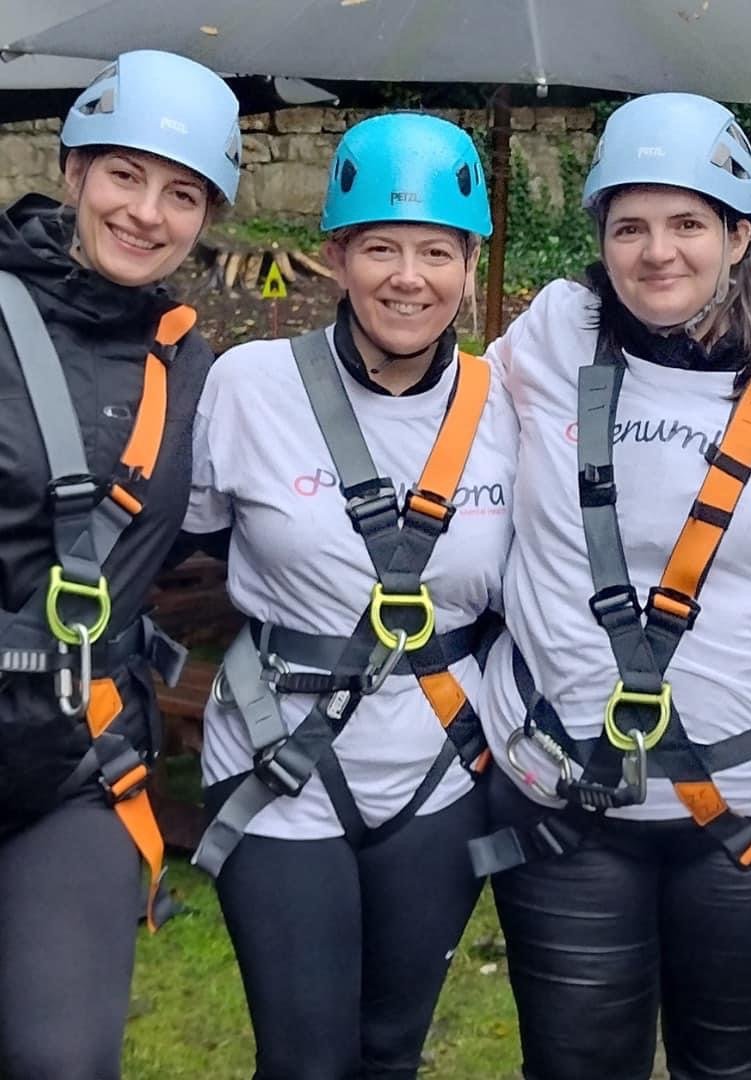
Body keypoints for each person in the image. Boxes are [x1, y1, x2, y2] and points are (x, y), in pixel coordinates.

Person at [469, 92, 751, 1080]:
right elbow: (428, 413)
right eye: (629, 226)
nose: (657, 252)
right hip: (563, 801)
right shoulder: (551, 336)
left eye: (688, 224)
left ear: (740, 235)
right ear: (598, 237)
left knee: (732, 1071)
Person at [184, 112, 516, 1080]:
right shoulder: (249, 386)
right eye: (380, 246)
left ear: (467, 262)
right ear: (336, 255)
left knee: (389, 1053)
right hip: (276, 769)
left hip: (439, 772)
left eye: (436, 250)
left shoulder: (512, 402)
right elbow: (180, 539)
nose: (408, 276)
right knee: (304, 1061)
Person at [0, 49, 240, 1080]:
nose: (147, 212)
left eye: (181, 193)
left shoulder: (191, 366)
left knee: (63, 1059)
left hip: (77, 763)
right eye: (125, 176)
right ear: (73, 173)